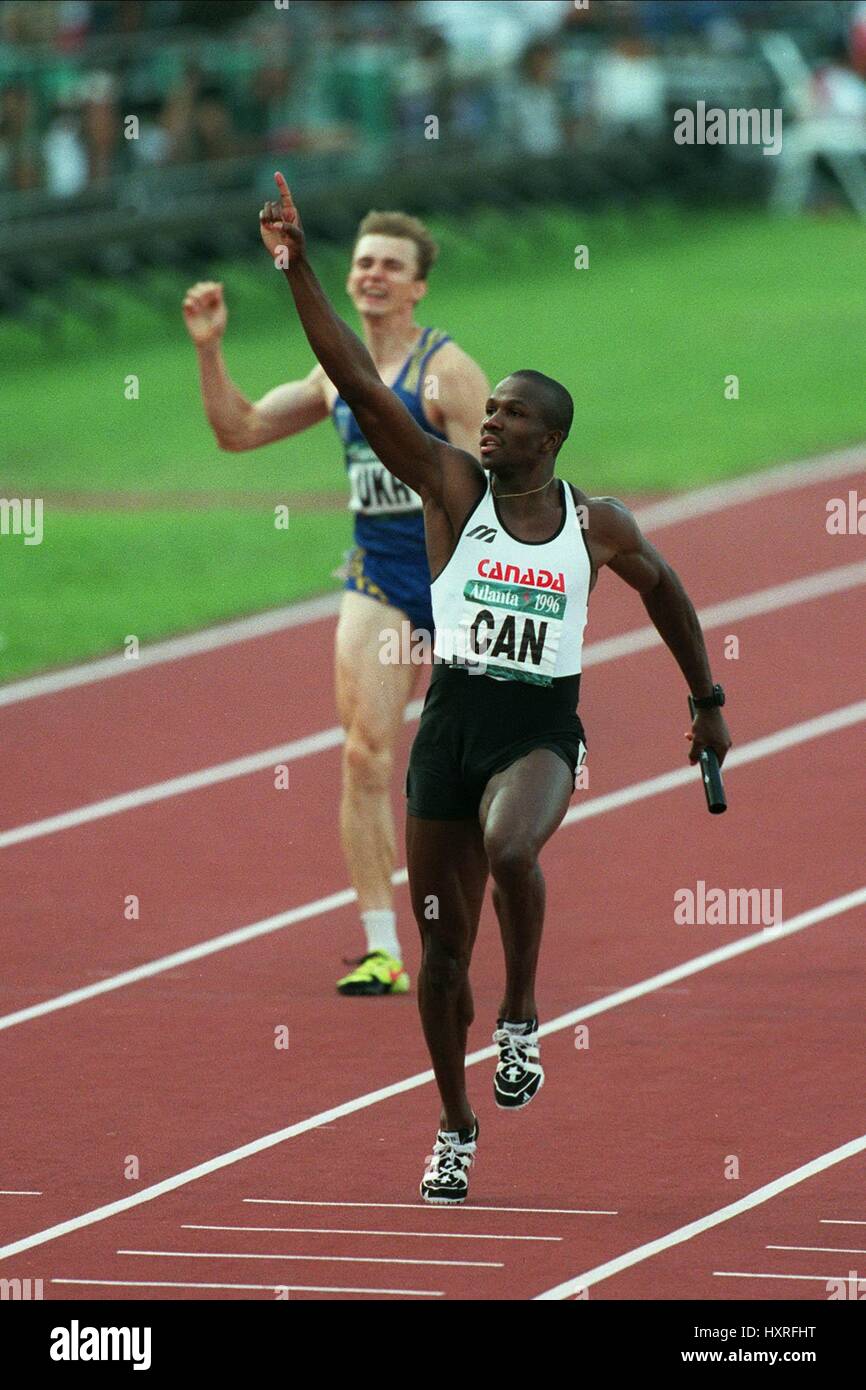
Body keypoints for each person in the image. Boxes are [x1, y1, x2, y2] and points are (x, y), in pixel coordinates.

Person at [259, 173, 732, 1204]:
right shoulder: (449, 487)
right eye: (492, 411)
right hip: (453, 727)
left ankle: (520, 1010)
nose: (490, 424)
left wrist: (705, 701)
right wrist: (298, 270)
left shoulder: (591, 522)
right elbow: (354, 374)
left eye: (511, 417)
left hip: (536, 731)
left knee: (513, 845)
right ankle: (455, 1120)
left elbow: (665, 591)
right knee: (438, 954)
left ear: (547, 439)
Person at [183, 201, 488, 998]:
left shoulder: (446, 372)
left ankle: (464, 917)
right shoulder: (335, 372)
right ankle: (383, 948)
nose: (372, 274)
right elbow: (240, 430)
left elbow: (498, 485)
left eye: (391, 264)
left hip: (458, 587)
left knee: (473, 772)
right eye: (362, 262)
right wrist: (210, 351)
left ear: (418, 286)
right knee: (363, 753)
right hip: (379, 579)